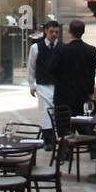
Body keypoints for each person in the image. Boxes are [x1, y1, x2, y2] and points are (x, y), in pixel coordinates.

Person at [49, 19, 96, 117]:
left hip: (63, 94)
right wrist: (90, 91)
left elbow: (51, 69)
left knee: (64, 127)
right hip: (82, 94)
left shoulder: (61, 49)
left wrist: (60, 79)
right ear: (83, 32)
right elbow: (92, 73)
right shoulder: (91, 50)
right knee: (83, 125)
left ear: (69, 31)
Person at [27, 19, 61, 149]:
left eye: (56, 32)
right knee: (45, 112)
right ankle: (49, 140)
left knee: (56, 113)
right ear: (46, 31)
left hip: (58, 85)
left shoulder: (62, 47)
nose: (54, 34)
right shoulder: (36, 48)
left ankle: (51, 136)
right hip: (42, 84)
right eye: (51, 31)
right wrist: (31, 85)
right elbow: (31, 67)